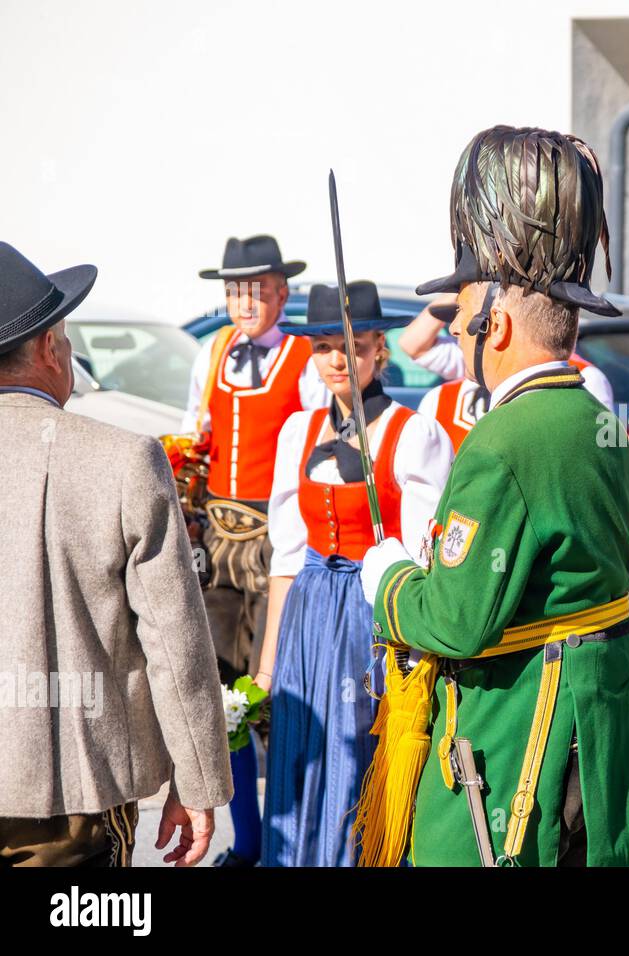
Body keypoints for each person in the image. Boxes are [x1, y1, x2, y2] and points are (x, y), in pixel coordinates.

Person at [359, 125, 629, 867]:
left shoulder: (502, 439)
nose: (458, 338)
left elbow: (457, 624)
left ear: (495, 324)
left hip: (523, 726)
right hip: (596, 727)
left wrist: (389, 576)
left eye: (463, 321)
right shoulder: (599, 417)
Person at [0, 242, 232, 866]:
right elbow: (173, 638)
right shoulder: (123, 458)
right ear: (49, 347)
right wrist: (198, 779)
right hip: (72, 794)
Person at [257, 282, 451, 867]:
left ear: (379, 351)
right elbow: (287, 557)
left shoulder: (411, 433)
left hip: (374, 618)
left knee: (358, 763)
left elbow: (422, 561)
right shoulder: (299, 432)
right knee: (298, 757)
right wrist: (267, 667)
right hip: (310, 616)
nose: (339, 360)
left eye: (354, 346)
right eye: (324, 347)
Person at [186, 234, 330, 866]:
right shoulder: (210, 351)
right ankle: (245, 841)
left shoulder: (304, 358)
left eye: (256, 289)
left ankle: (282, 842)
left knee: (277, 691)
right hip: (219, 544)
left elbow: (324, 450)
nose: (243, 301)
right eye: (234, 290)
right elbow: (198, 435)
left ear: (282, 292)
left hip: (280, 541)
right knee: (225, 698)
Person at [399, 295, 616, 409]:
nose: (455, 328)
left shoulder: (587, 379)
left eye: (464, 315)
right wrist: (466, 282)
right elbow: (412, 343)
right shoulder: (439, 400)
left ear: (497, 323)